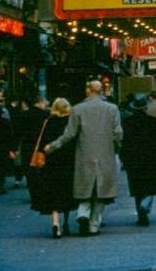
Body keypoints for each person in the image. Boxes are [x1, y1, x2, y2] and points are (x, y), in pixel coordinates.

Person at [44, 80, 123, 237]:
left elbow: (70, 134)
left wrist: (52, 146)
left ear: (88, 91)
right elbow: (118, 132)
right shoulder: (112, 109)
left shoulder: (78, 109)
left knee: (85, 188)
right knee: (101, 192)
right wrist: (115, 148)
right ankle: (94, 225)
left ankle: (83, 213)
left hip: (84, 154)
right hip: (105, 153)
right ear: (101, 92)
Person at [29, 98, 77, 239]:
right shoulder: (71, 123)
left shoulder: (48, 122)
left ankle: (56, 223)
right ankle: (67, 222)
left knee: (54, 194)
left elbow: (42, 143)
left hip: (51, 163)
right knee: (67, 192)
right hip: (69, 161)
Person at [121, 94, 156, 227]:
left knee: (137, 188)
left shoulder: (127, 123)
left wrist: (124, 158)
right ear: (145, 108)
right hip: (151, 159)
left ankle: (140, 210)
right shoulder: (155, 122)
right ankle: (145, 206)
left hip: (133, 160)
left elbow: (123, 143)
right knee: (150, 186)